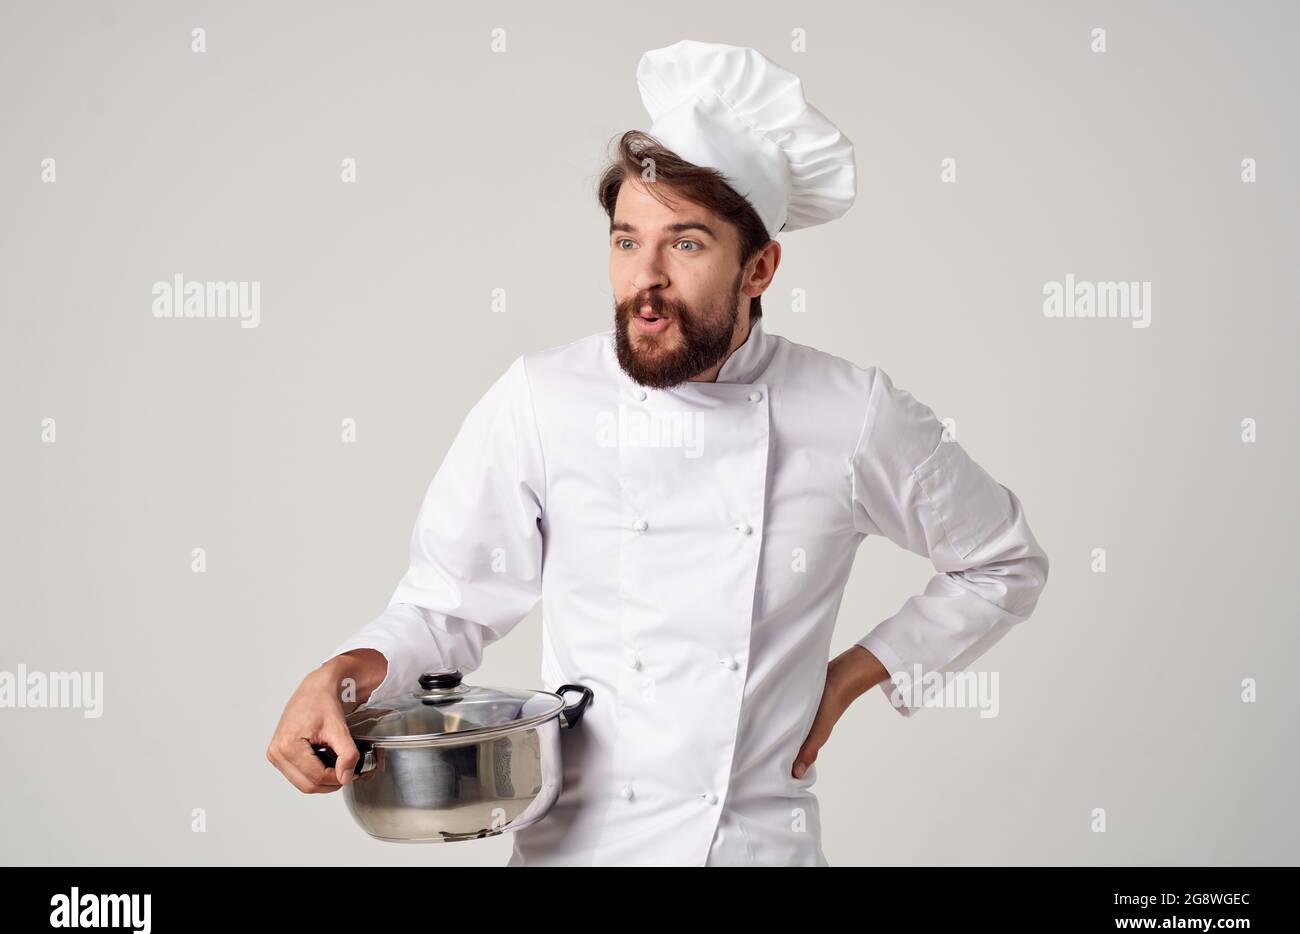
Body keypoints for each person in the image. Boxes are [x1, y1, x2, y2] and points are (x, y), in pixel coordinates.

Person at [267, 39, 1049, 866]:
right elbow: (444, 608)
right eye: (625, 240)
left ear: (760, 267)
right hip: (577, 850)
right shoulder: (542, 399)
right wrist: (341, 677)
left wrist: (852, 677)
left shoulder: (849, 412)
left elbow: (1002, 561)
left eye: (685, 244)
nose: (646, 278)